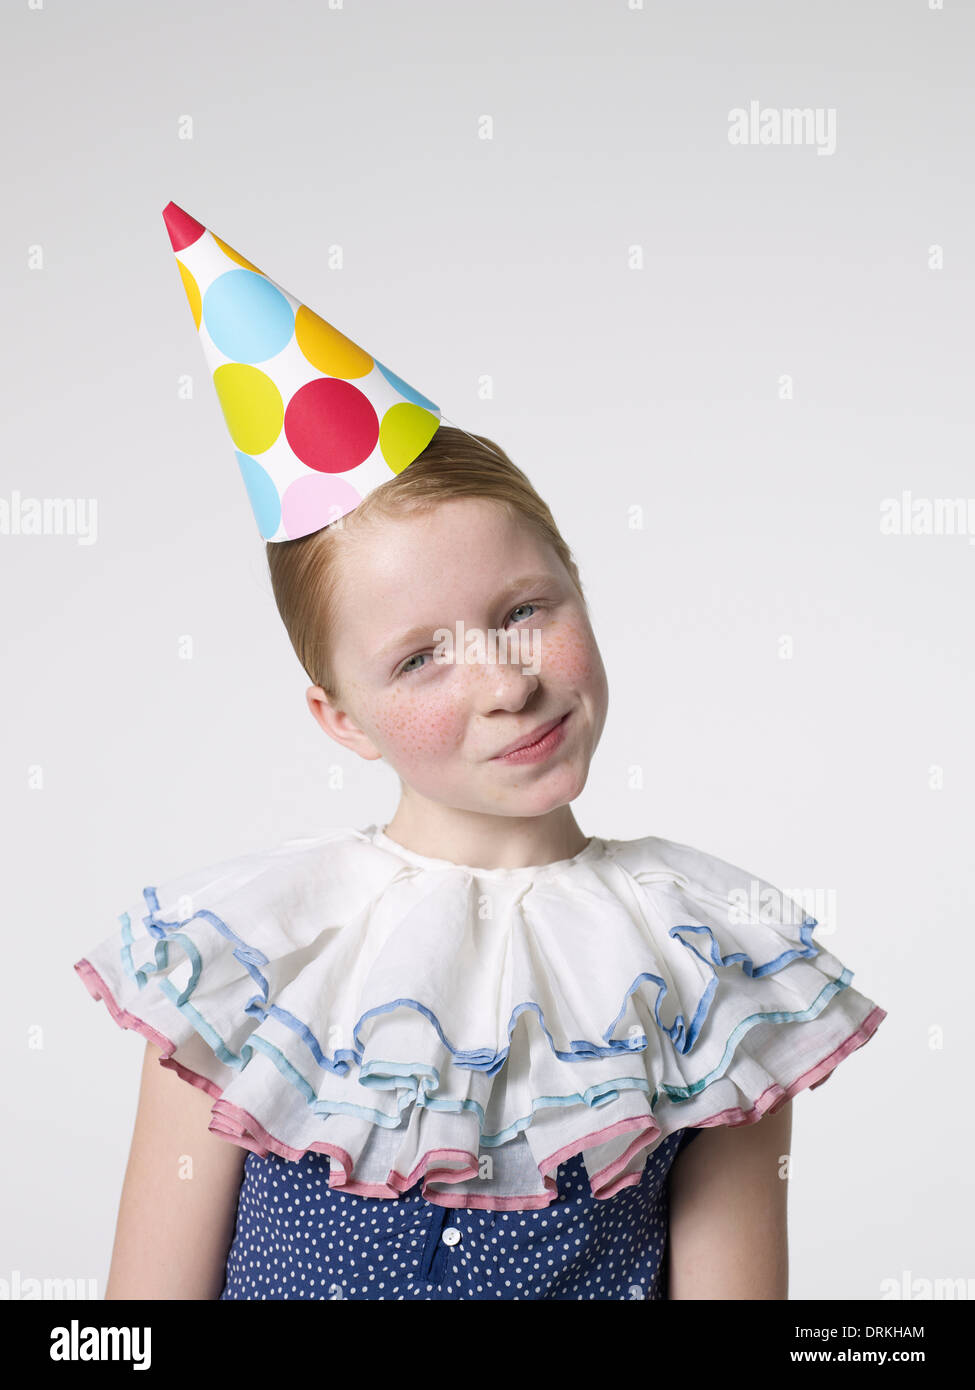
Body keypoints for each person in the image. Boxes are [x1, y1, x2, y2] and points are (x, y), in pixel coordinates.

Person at [72, 204, 887, 1301]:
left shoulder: (711, 974)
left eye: (523, 611)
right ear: (340, 717)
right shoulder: (245, 970)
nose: (508, 682)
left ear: (579, 585)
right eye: (421, 660)